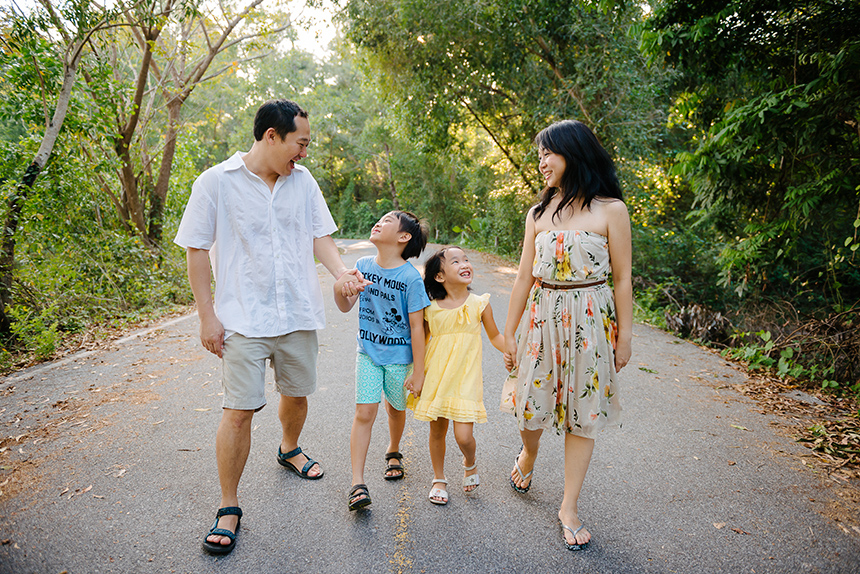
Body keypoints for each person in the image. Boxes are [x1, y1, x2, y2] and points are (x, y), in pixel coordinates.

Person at [174, 99, 364, 555]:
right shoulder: (216, 183)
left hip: (296, 311)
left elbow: (321, 237)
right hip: (242, 317)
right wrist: (207, 315)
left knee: (296, 394)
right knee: (239, 410)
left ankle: (289, 447)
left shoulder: (304, 183)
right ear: (272, 136)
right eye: (301, 143)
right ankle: (228, 505)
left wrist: (340, 272)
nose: (305, 153)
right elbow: (196, 250)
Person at [501, 119, 632, 551]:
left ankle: (569, 507)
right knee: (531, 405)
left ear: (573, 152)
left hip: (591, 320)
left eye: (547, 152)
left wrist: (625, 336)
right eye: (538, 154)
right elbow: (522, 278)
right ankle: (529, 454)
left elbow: (624, 278)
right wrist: (508, 331)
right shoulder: (537, 214)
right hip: (542, 317)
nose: (541, 161)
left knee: (583, 413)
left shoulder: (610, 209)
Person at [333, 211, 429, 511]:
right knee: (364, 413)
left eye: (389, 220)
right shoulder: (362, 266)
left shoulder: (411, 278)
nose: (379, 221)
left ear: (404, 237)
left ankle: (394, 450)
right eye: (380, 218)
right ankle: (357, 483)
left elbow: (418, 327)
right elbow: (345, 306)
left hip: (400, 359)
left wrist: (420, 372)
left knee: (396, 408)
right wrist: (339, 288)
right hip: (368, 354)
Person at [407, 246, 505, 505]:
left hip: (465, 380)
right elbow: (421, 342)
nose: (465, 264)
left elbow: (495, 336)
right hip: (437, 379)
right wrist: (415, 374)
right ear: (439, 276)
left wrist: (514, 350)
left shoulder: (479, 304)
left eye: (466, 259)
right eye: (455, 261)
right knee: (437, 432)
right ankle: (439, 478)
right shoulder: (430, 309)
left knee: (463, 436)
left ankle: (469, 461)